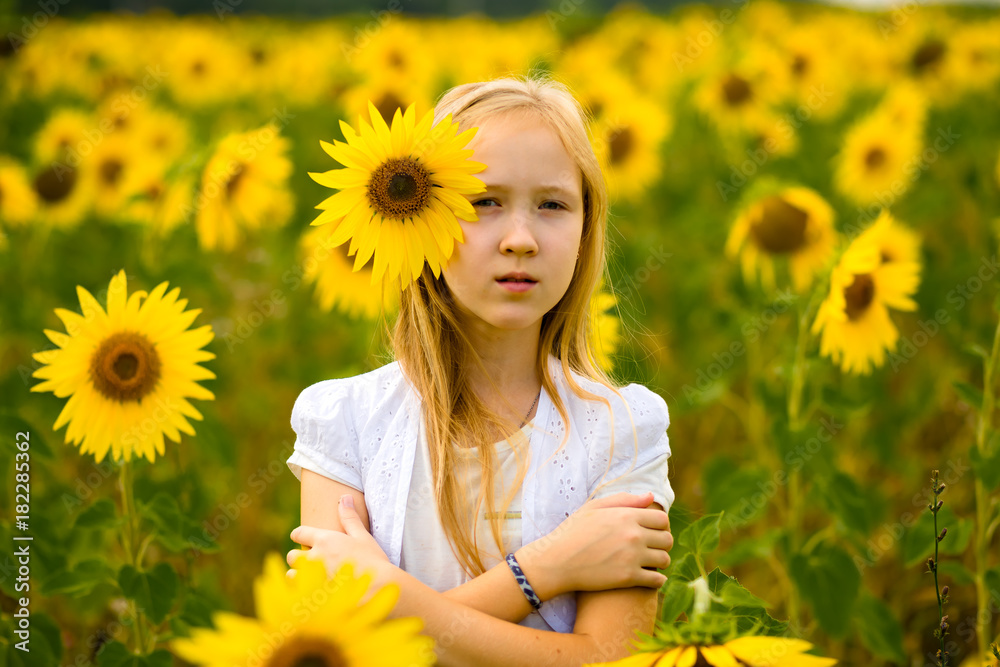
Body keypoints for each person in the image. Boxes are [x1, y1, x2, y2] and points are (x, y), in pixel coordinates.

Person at [285, 74, 675, 666]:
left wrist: (389, 600)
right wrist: (550, 566)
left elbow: (615, 662)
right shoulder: (348, 423)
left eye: (552, 204)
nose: (520, 239)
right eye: (483, 202)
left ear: (584, 229)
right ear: (420, 219)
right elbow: (344, 653)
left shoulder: (621, 429)